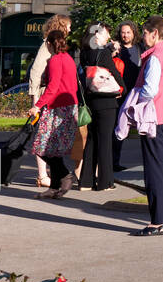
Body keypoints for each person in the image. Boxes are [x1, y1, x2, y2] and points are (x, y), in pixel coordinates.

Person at [129, 15, 163, 236]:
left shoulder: (155, 57)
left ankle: (159, 221)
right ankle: (162, 220)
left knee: (154, 170)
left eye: (144, 32)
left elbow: (150, 90)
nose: (142, 36)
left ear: (154, 33)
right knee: (160, 167)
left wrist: (135, 99)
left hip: (156, 117)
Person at [32, 29, 79, 199]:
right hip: (69, 107)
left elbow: (52, 87)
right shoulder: (68, 59)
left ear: (50, 44)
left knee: (42, 147)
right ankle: (54, 186)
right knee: (53, 149)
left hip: (58, 108)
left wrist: (37, 106)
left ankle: (66, 175)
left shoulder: (55, 60)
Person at [78, 23, 123, 192]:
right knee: (105, 142)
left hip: (91, 100)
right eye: (105, 34)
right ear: (96, 34)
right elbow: (115, 75)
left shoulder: (85, 52)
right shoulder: (103, 53)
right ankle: (105, 182)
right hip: (106, 101)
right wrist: (123, 89)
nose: (108, 37)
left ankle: (86, 181)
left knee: (91, 140)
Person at [29, 14, 72, 188]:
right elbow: (35, 72)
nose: (70, 29)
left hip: (52, 97)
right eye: (68, 26)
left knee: (50, 137)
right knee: (43, 136)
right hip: (44, 97)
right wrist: (35, 101)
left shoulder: (58, 50)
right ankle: (42, 175)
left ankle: (52, 174)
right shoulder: (47, 46)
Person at [112, 20, 142, 171]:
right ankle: (113, 161)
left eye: (128, 32)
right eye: (123, 32)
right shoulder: (116, 49)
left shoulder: (139, 49)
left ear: (134, 33)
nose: (125, 35)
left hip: (134, 94)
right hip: (118, 94)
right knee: (117, 127)